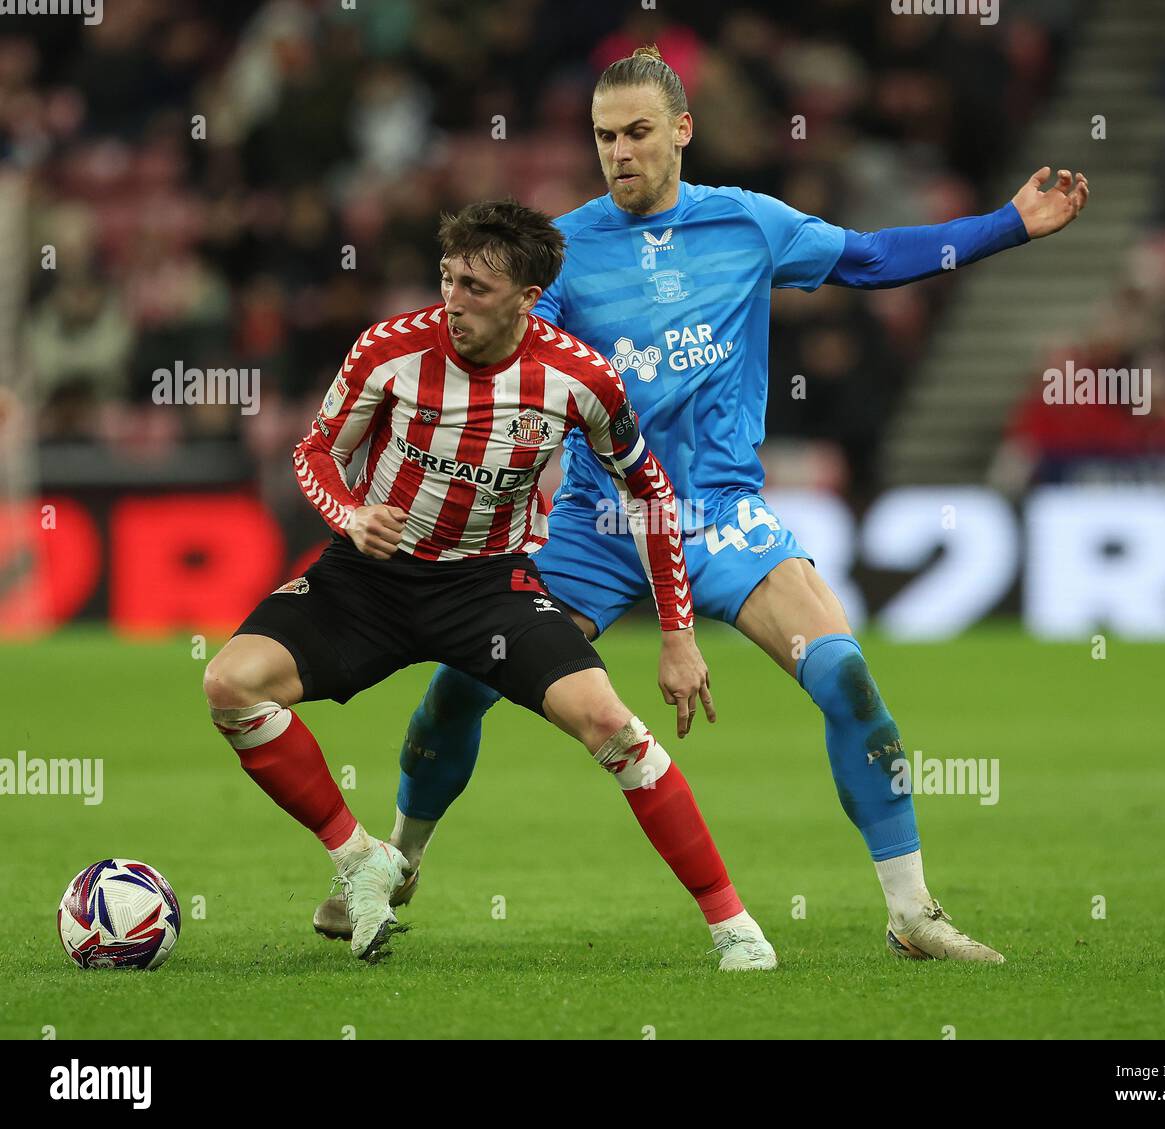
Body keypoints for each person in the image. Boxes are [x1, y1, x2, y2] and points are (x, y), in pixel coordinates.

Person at [317, 45, 1090, 963]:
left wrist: (1011, 223)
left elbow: (876, 258)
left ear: (682, 130)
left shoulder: (751, 226)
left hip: (720, 516)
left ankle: (911, 910)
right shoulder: (560, 255)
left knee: (845, 676)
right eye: (605, 137)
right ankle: (394, 864)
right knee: (455, 695)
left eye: (639, 132)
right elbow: (499, 347)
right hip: (599, 527)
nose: (620, 153)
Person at [206, 199, 776, 969]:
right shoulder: (388, 349)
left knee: (615, 728)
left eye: (476, 287)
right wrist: (351, 512)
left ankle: (733, 924)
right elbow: (314, 451)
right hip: (370, 575)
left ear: (527, 299)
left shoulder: (579, 378)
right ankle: (361, 857)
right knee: (230, 682)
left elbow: (649, 492)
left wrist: (677, 632)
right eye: (448, 279)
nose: (454, 300)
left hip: (487, 588)